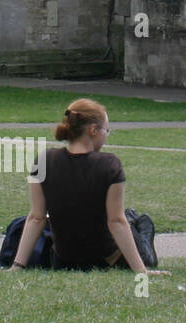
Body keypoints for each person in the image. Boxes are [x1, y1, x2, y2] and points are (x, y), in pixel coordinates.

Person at [10, 99, 164, 274]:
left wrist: (17, 265)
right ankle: (141, 222)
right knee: (139, 222)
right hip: (108, 259)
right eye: (106, 130)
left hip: (63, 261)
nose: (106, 135)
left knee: (129, 217)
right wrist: (141, 270)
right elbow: (116, 222)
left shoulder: (44, 160)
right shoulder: (109, 164)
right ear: (93, 130)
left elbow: (36, 218)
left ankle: (135, 218)